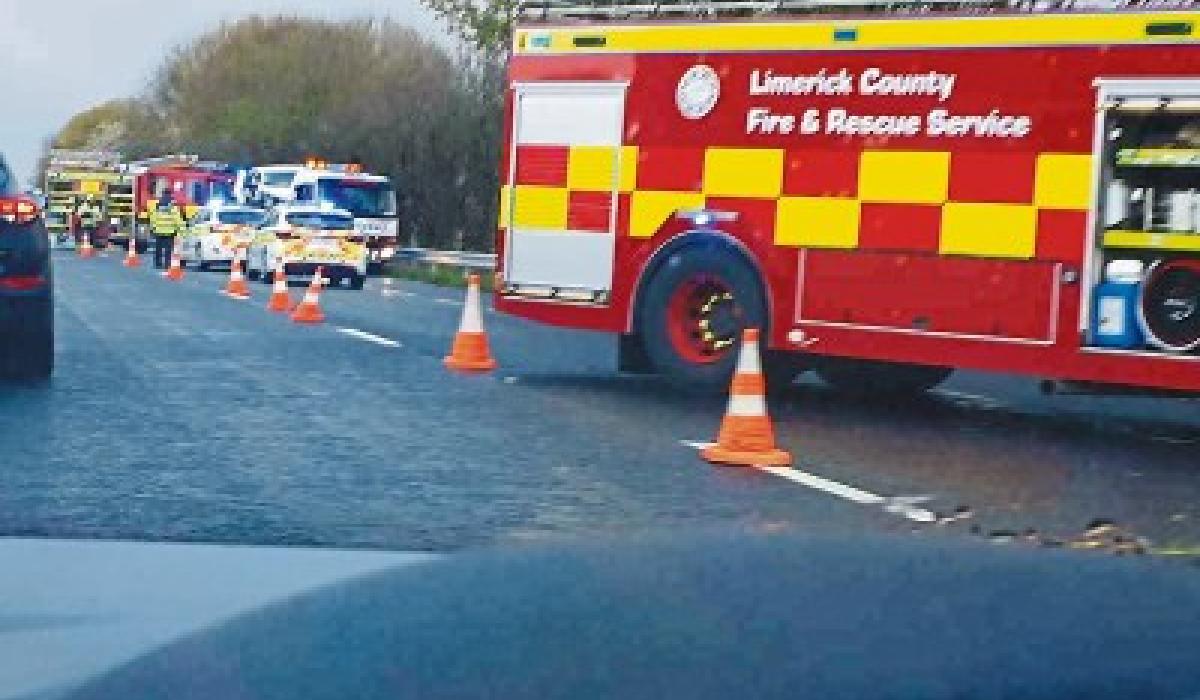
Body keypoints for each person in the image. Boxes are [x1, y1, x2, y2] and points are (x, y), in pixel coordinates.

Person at [149, 194, 184, 269]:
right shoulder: (173, 208)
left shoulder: (157, 208)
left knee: (158, 248)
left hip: (158, 231)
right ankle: (167, 264)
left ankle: (158, 263)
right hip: (170, 232)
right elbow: (178, 220)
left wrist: (152, 228)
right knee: (168, 249)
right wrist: (180, 231)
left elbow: (153, 219)